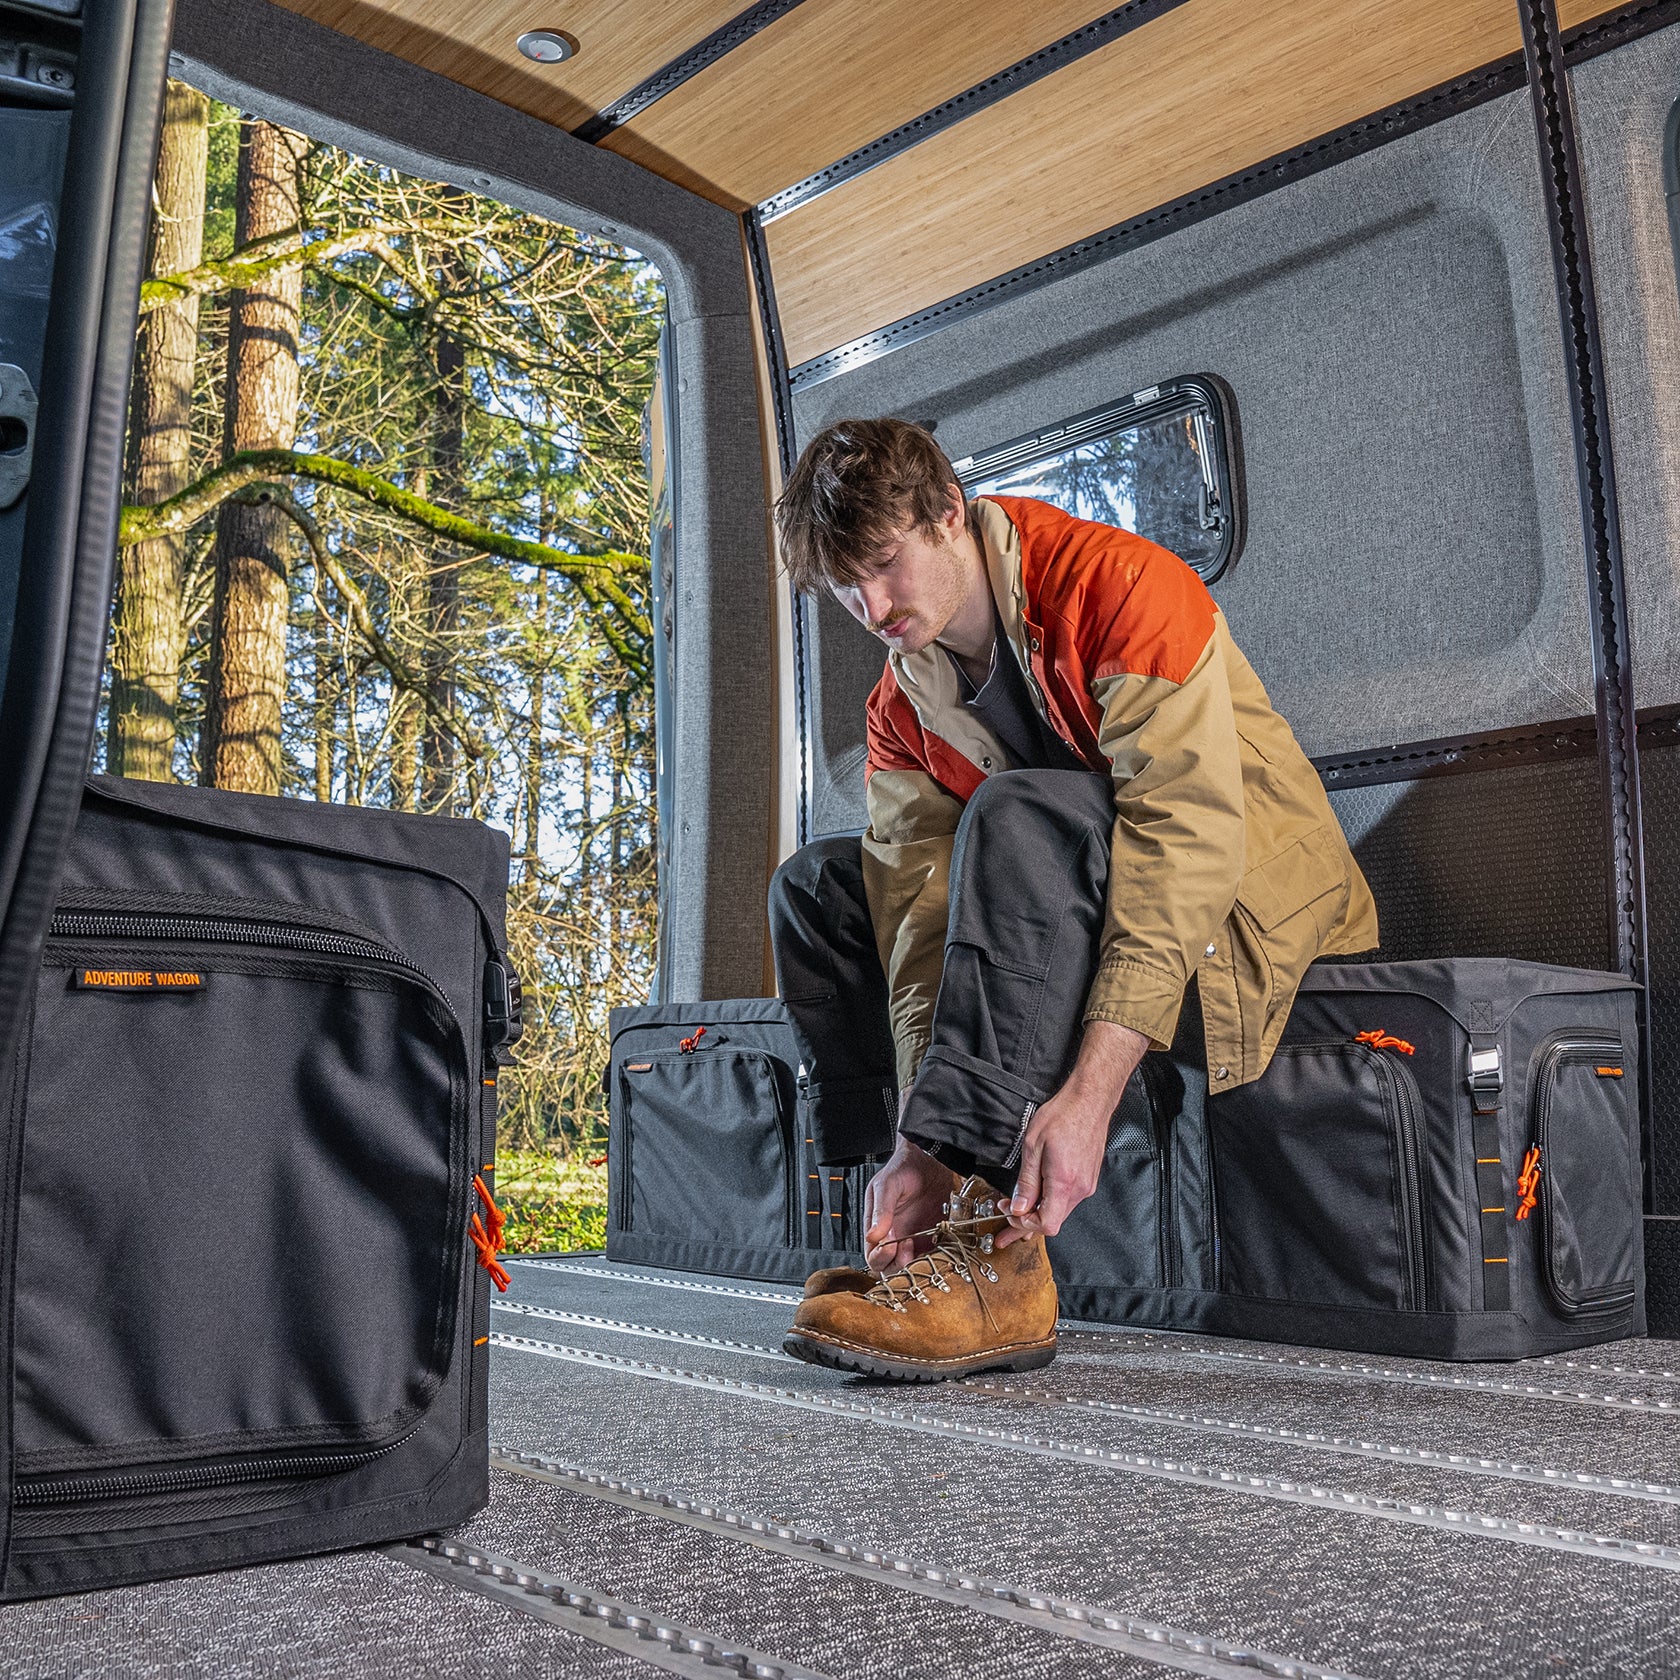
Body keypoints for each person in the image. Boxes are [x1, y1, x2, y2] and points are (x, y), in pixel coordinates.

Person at [768, 418, 1377, 1381]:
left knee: (1016, 814)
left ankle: (999, 1267)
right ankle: (920, 1216)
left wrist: (1089, 1096)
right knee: (819, 891)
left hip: (1236, 910)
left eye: (885, 563)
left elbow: (1185, 844)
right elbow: (922, 927)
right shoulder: (901, 706)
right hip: (1076, 905)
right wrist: (920, 1136)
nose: (872, 603)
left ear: (946, 514)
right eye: (846, 583)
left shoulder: (1121, 586)